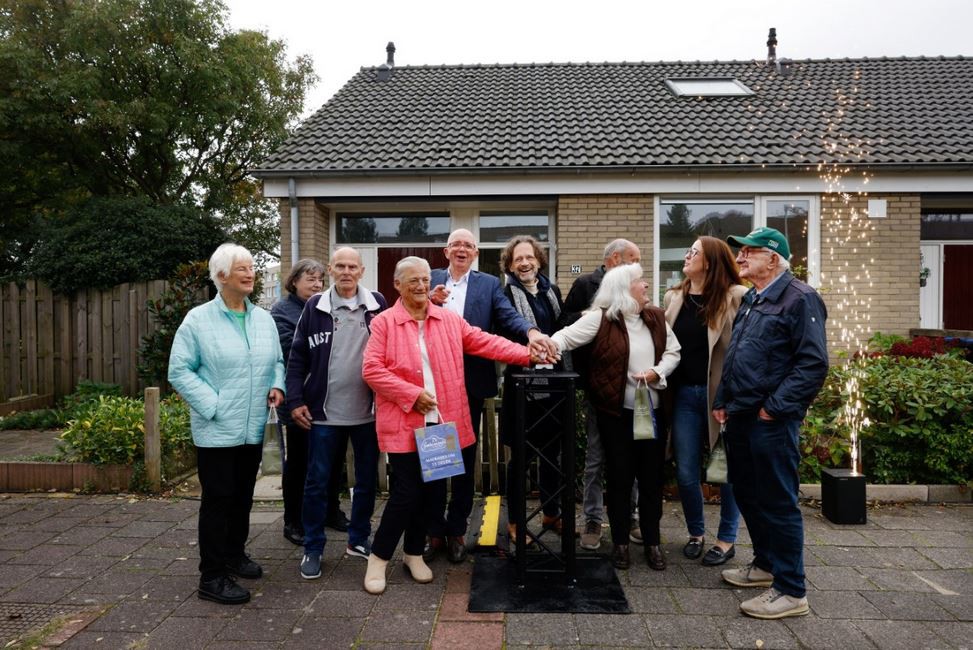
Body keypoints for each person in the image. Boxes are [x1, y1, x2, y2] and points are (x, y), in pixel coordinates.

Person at [361, 257, 541, 594]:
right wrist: (411, 394)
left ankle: (414, 554)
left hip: (441, 423)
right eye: (412, 280)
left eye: (425, 280)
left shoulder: (447, 319)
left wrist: (527, 354)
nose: (420, 286)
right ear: (397, 285)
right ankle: (379, 557)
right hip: (404, 420)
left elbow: (486, 342)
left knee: (431, 494)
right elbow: (371, 370)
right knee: (405, 493)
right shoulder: (384, 323)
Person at [714, 227, 828, 620]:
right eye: (740, 251)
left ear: (774, 259)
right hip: (742, 415)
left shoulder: (800, 298)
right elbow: (738, 353)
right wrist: (722, 400)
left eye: (750, 252)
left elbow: (813, 364)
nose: (741, 258)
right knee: (747, 492)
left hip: (770, 420)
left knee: (778, 501)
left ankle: (792, 590)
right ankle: (764, 567)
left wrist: (774, 409)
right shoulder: (753, 298)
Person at [425, 228, 557, 564]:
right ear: (446, 250)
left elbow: (507, 316)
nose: (462, 249)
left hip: (469, 386)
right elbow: (406, 310)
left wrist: (531, 332)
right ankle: (433, 532)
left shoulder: (488, 285)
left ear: (475, 253)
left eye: (468, 245)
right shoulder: (428, 279)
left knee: (465, 463)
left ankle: (456, 531)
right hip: (433, 388)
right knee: (437, 461)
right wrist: (427, 300)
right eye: (456, 244)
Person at [168, 243, 285, 605]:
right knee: (218, 501)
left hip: (252, 428)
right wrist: (213, 406)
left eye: (252, 268)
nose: (251, 274)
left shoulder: (263, 318)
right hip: (217, 429)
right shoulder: (198, 320)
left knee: (242, 498)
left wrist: (277, 384)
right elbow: (179, 371)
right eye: (242, 269)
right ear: (221, 276)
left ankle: (234, 555)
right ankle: (212, 576)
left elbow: (278, 361)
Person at [552, 263, 680, 570]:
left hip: (652, 414)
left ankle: (652, 543)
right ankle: (620, 543)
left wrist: (657, 372)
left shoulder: (656, 318)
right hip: (616, 416)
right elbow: (563, 338)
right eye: (640, 281)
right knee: (620, 479)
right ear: (624, 289)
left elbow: (673, 352)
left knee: (651, 480)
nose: (647, 284)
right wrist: (542, 350)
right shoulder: (600, 319)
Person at [285, 247, 387, 580]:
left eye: (351, 266)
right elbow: (297, 357)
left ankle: (358, 540)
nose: (345, 271)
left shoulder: (377, 304)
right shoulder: (316, 307)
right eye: (339, 266)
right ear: (331, 269)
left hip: (368, 413)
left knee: (367, 482)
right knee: (316, 484)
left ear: (361, 271)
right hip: (324, 414)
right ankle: (313, 547)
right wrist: (295, 399)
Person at [664, 237, 748, 566]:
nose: (687, 255)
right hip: (684, 394)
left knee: (726, 472)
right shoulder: (674, 297)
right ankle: (696, 533)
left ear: (710, 262)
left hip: (721, 399)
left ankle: (726, 540)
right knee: (686, 472)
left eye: (694, 252)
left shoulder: (736, 297)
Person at [562, 239, 643, 551]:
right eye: (633, 259)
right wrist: (587, 315)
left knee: (630, 457)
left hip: (632, 388)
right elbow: (565, 321)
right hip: (598, 387)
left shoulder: (635, 289)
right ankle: (592, 519)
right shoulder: (586, 284)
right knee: (596, 457)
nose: (638, 266)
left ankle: (631, 515)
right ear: (614, 259)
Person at [497, 236, 566, 540]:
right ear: (510, 266)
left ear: (539, 259)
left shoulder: (553, 291)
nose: (524, 263)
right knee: (521, 459)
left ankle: (551, 515)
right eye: (517, 260)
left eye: (529, 257)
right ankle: (515, 522)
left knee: (553, 454)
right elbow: (507, 328)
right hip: (522, 385)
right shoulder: (505, 295)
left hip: (554, 385)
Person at [270, 258, 328, 547]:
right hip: (295, 402)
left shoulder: (323, 307)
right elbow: (290, 350)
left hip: (324, 401)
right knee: (298, 466)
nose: (317, 285)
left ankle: (328, 512)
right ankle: (292, 520)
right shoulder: (282, 311)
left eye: (320, 280)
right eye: (311, 279)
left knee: (326, 462)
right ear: (294, 281)